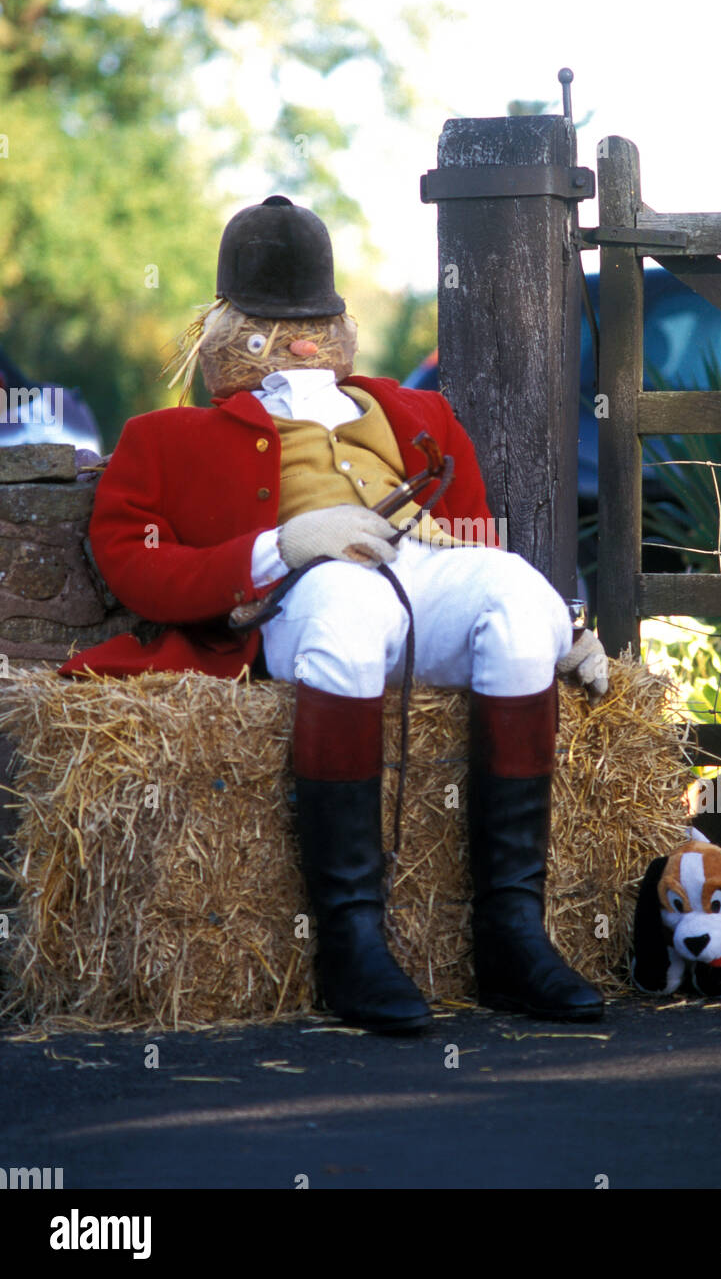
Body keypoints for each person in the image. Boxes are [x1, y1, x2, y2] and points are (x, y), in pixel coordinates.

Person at [61, 196, 609, 1033]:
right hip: (302, 598)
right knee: (349, 599)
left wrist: (557, 622)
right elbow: (136, 565)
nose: (301, 341)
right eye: (276, 326)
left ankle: (511, 936)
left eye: (313, 321)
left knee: (504, 586)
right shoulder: (163, 439)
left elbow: (473, 534)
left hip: (419, 570)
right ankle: (350, 941)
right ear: (227, 331)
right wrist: (285, 544)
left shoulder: (417, 410)